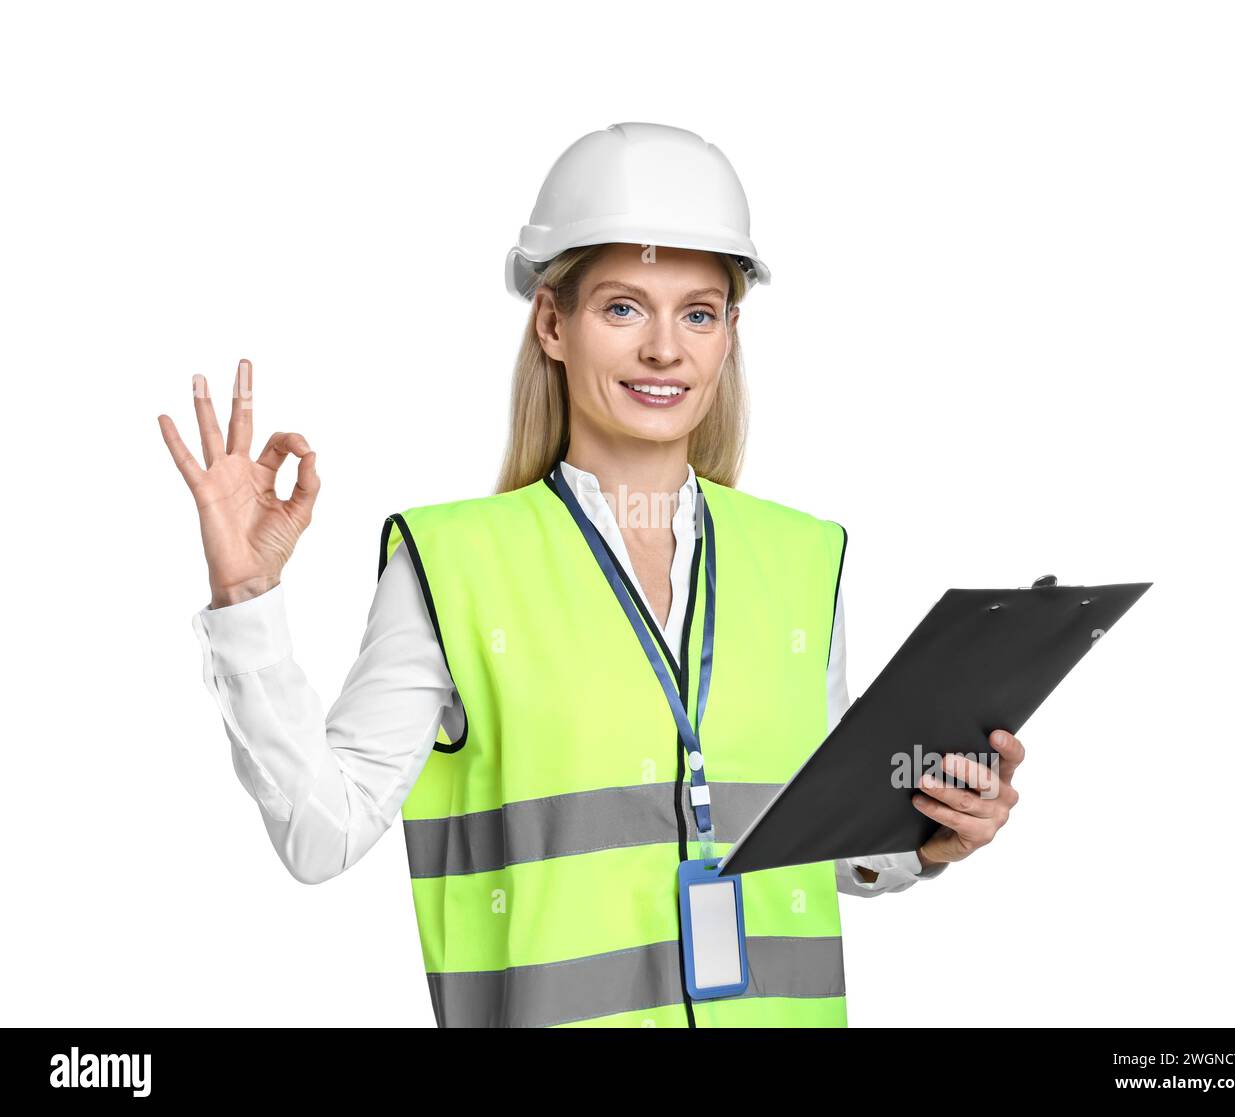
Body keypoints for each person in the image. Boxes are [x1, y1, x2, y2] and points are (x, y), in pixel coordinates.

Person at [158, 122, 1024, 1028]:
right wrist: (246, 599)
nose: (664, 349)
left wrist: (933, 832)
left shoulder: (802, 558)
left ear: (731, 332)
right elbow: (319, 833)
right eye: (622, 307)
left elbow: (837, 846)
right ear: (551, 321)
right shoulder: (454, 565)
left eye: (698, 311)